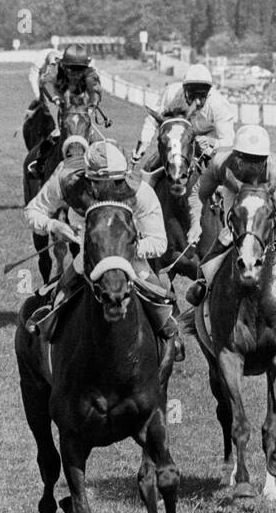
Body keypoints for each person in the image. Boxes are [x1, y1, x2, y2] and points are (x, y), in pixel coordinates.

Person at [23, 139, 181, 356]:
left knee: (161, 303)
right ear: (88, 178)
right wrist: (53, 224)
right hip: (89, 254)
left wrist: (122, 249)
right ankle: (50, 326)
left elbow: (159, 242)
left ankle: (170, 342)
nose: (109, 189)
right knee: (60, 293)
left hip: (130, 255)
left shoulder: (141, 191)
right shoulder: (66, 180)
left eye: (116, 182)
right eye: (100, 183)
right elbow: (32, 211)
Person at [184, 124, 276, 307]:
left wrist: (266, 215)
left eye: (258, 160)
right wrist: (195, 224)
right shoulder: (220, 163)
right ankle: (204, 280)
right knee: (229, 234)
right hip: (234, 195)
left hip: (266, 201)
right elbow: (198, 194)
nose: (252, 165)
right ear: (235, 156)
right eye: (246, 159)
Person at [132, 63, 235, 173]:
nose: (198, 102)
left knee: (219, 174)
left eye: (202, 96)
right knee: (149, 170)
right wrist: (144, 143)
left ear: (208, 93)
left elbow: (229, 141)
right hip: (181, 142)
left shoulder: (219, 104)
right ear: (184, 91)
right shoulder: (172, 93)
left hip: (208, 148)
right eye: (192, 96)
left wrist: (212, 142)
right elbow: (153, 120)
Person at [37, 45, 103, 136]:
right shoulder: (56, 66)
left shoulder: (89, 71)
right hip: (57, 95)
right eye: (71, 68)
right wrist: (55, 99)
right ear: (64, 65)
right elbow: (47, 82)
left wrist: (93, 104)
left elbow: (94, 89)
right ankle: (55, 132)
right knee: (57, 125)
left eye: (79, 69)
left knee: (85, 124)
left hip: (79, 97)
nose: (75, 72)